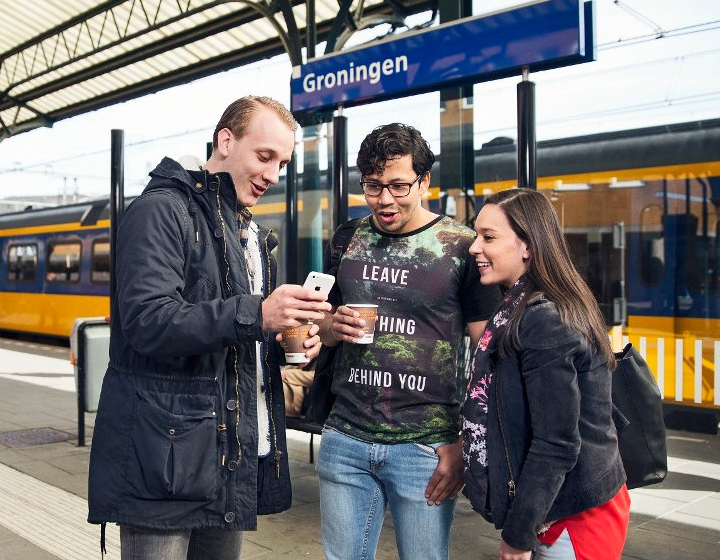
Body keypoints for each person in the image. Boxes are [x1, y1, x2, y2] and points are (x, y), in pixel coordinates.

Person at [87, 96, 331, 559]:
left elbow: (238, 339)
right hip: (164, 455)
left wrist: (283, 338)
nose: (272, 175)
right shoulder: (161, 210)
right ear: (225, 141)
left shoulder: (249, 233)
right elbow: (146, 321)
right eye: (264, 156)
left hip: (226, 450)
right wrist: (258, 314)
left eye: (282, 163)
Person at [315, 123, 500, 560]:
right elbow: (321, 325)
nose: (385, 199)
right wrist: (331, 327)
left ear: (424, 181)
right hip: (345, 436)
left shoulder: (462, 247)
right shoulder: (346, 238)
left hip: (426, 446)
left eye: (398, 186)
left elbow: (487, 356)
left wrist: (462, 442)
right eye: (373, 186)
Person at [461, 188, 629, 560]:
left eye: (488, 237)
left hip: (572, 519)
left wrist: (518, 536)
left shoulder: (544, 319)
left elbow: (557, 442)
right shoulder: (520, 304)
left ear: (528, 246)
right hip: (555, 508)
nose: (474, 247)